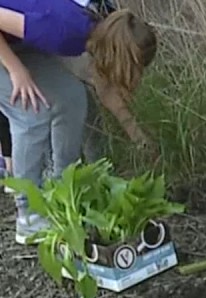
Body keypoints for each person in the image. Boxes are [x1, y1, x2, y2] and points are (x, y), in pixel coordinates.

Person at [0, 0, 157, 242]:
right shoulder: (63, 29)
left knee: (73, 98)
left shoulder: (101, 25)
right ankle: (28, 216)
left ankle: (66, 191)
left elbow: (105, 90)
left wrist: (141, 139)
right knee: (31, 113)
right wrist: (16, 71)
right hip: (8, 45)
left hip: (17, 42)